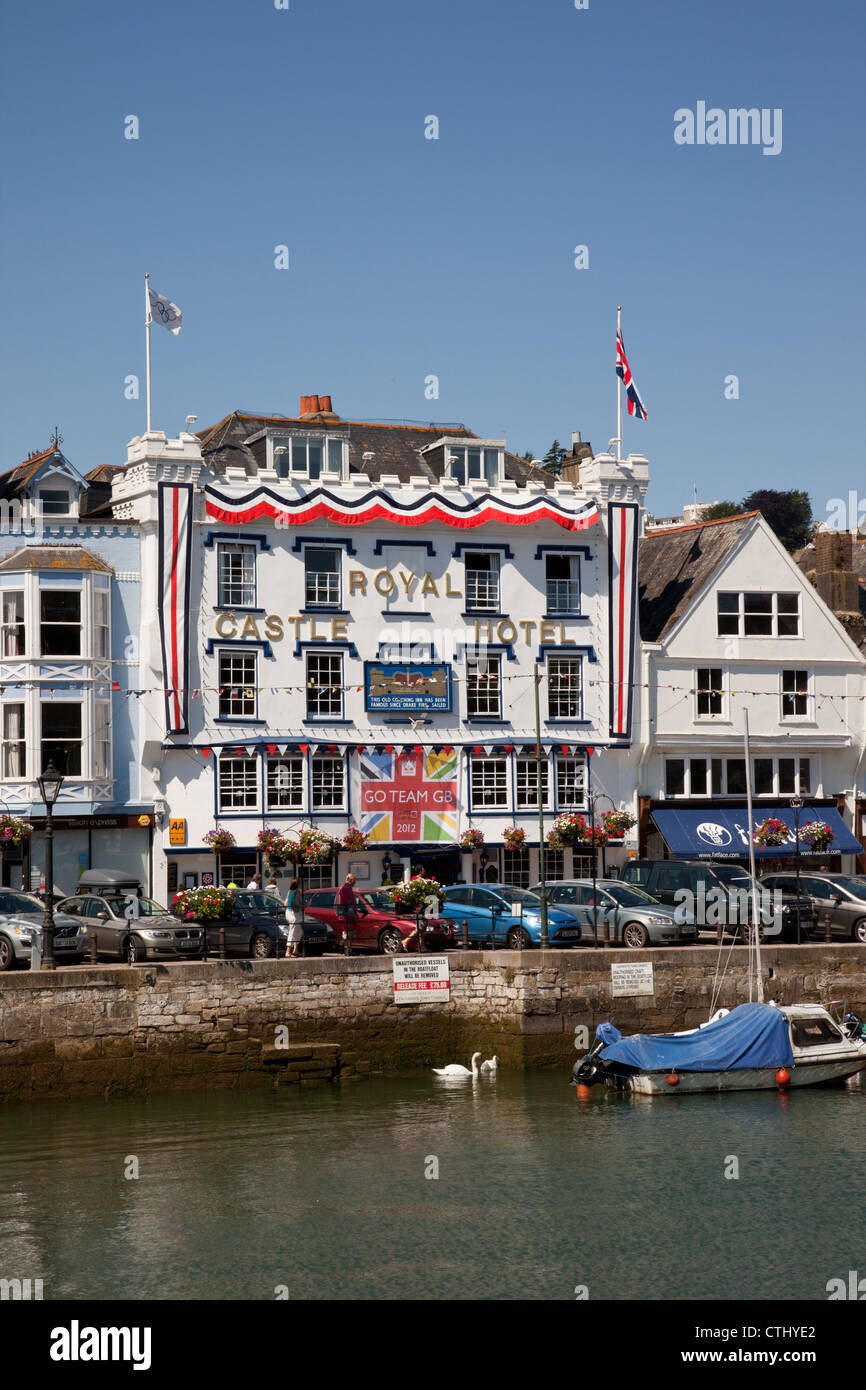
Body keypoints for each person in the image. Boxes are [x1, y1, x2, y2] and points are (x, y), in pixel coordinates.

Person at [337, 873, 368, 954]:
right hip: (347, 913)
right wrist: (354, 913)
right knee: (349, 932)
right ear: (350, 880)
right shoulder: (346, 888)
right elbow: (349, 901)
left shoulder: (347, 888)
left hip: (346, 912)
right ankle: (346, 948)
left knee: (349, 932)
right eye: (354, 880)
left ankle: (344, 947)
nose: (355, 882)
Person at [284, 877, 303, 958]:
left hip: (288, 912)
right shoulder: (297, 891)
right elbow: (298, 903)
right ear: (298, 884)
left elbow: (285, 903)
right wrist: (303, 906)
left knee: (298, 931)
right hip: (294, 913)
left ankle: (295, 950)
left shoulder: (289, 891)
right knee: (293, 932)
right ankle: (288, 951)